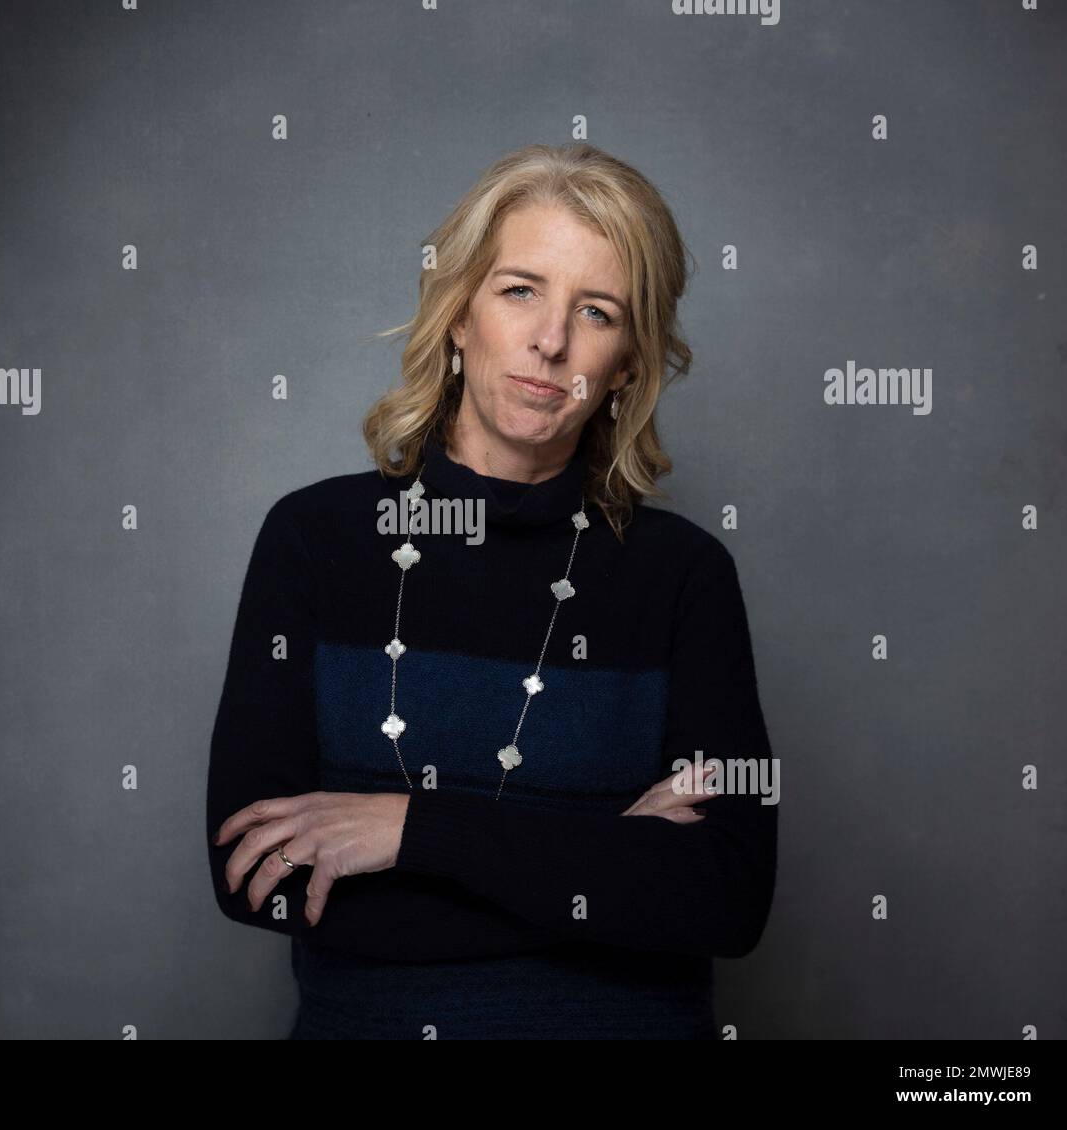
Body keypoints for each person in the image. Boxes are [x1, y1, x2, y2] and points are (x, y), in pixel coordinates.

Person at [206, 142, 777, 1040]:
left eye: (597, 312)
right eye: (520, 290)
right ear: (458, 314)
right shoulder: (314, 541)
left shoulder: (685, 576)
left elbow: (726, 901)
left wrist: (411, 833)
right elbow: (259, 878)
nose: (551, 341)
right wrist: (605, 857)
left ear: (628, 363)